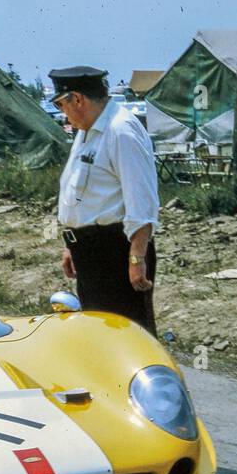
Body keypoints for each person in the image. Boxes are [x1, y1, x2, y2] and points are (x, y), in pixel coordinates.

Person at [50, 66, 159, 336]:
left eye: (61, 104)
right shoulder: (88, 130)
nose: (63, 111)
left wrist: (136, 260)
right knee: (102, 336)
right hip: (89, 250)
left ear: (77, 99)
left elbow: (142, 202)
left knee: (129, 335)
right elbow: (80, 190)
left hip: (115, 251)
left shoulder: (120, 131)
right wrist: (71, 245)